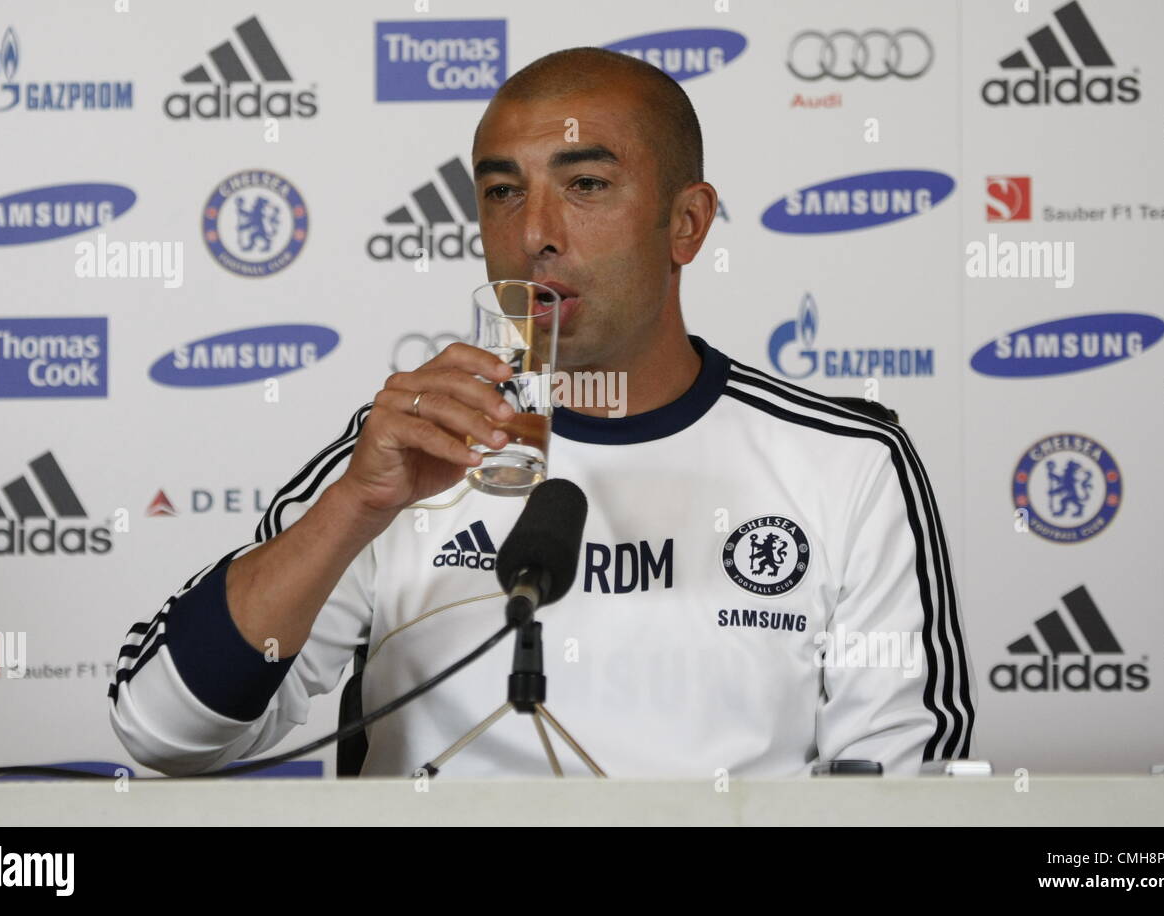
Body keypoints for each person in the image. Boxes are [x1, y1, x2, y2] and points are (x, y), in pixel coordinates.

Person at [109, 47, 976, 777]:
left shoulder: (847, 460)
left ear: (687, 223)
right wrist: (351, 511)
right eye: (502, 192)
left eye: (587, 184)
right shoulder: (404, 453)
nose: (534, 232)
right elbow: (165, 733)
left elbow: (902, 787)